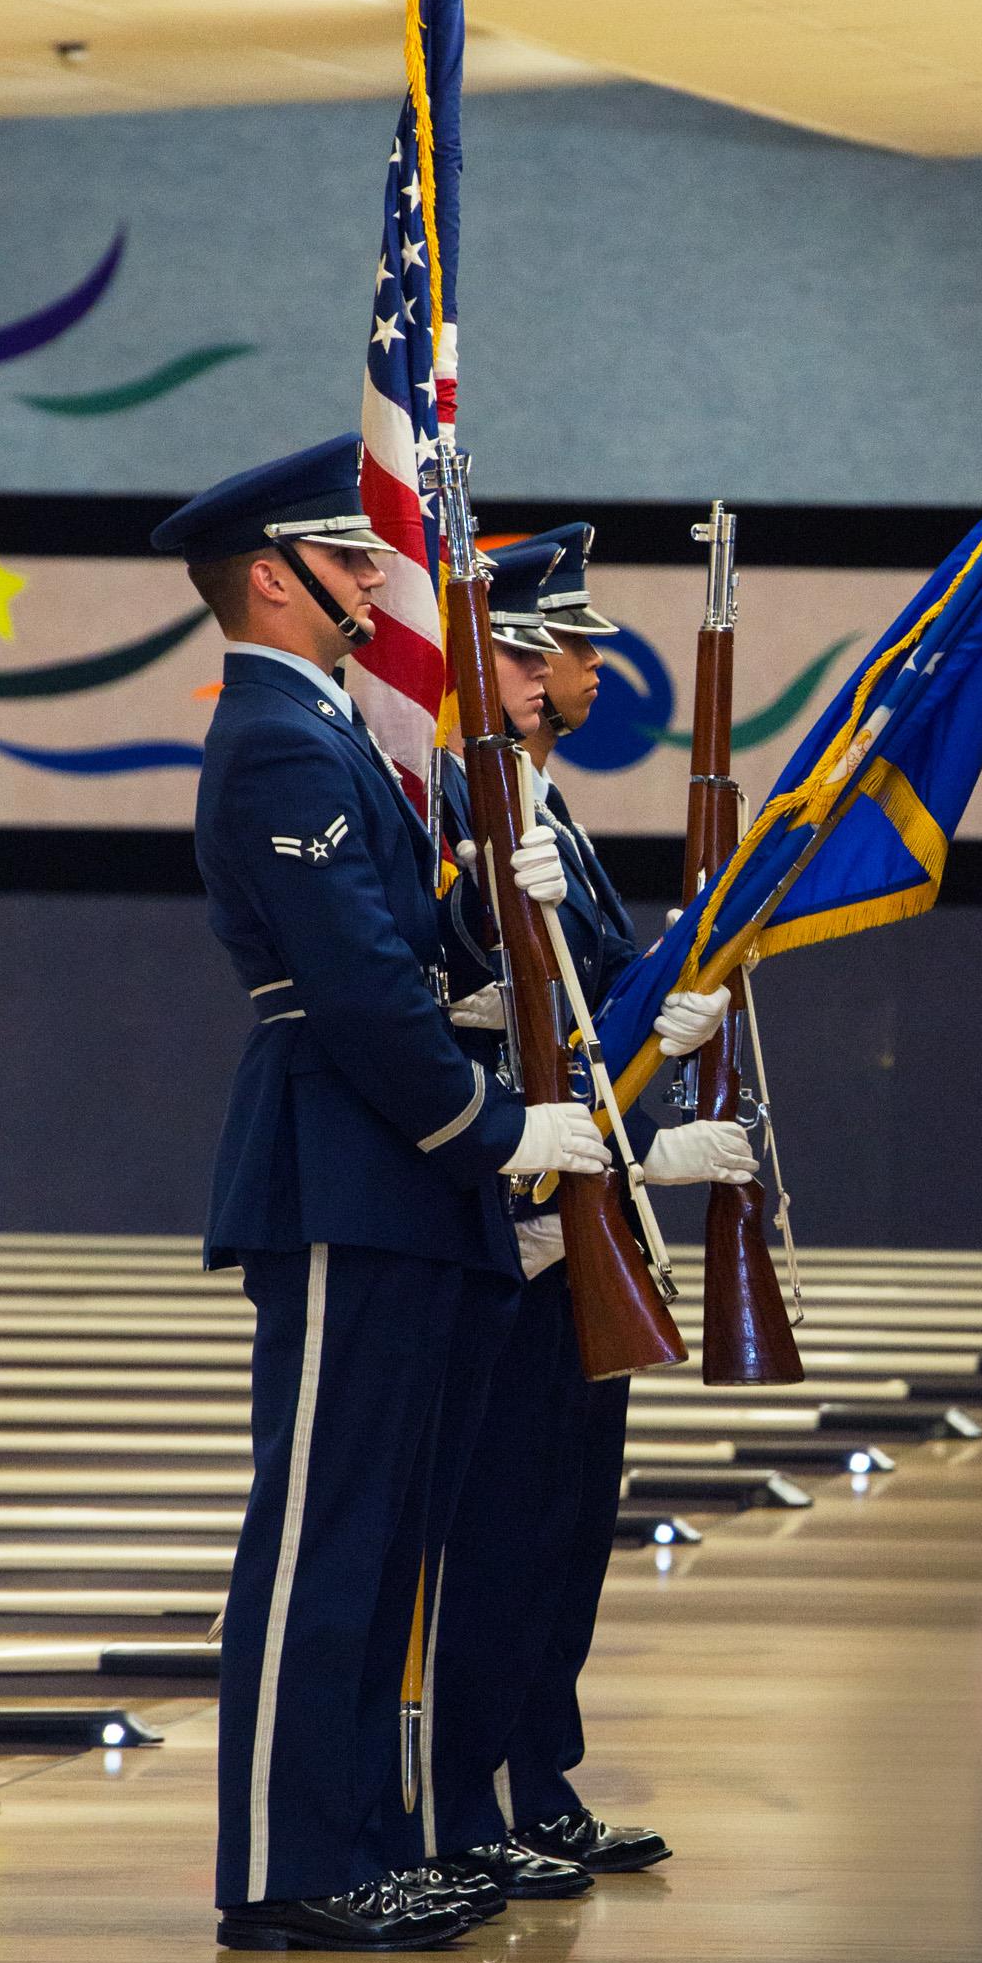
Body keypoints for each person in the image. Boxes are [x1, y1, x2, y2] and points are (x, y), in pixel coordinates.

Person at [155, 441, 610, 1953]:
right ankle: (288, 1865)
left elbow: (411, 947)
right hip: (351, 1165)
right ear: (274, 576)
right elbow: (355, 987)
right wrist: (496, 1128)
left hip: (399, 1172)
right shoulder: (280, 736)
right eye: (353, 563)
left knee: (388, 1525)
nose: (380, 586)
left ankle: (356, 1839)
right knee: (322, 1530)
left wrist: (497, 905)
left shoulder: (336, 731)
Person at [423, 524, 750, 1891]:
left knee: (568, 1515)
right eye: (566, 646)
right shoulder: (453, 808)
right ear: (498, 663)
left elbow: (592, 1008)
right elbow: (464, 1022)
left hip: (583, 1216)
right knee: (502, 1521)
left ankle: (537, 1776)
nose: (592, 665)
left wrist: (656, 1102)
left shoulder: (545, 815)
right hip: (508, 1219)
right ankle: (464, 1792)